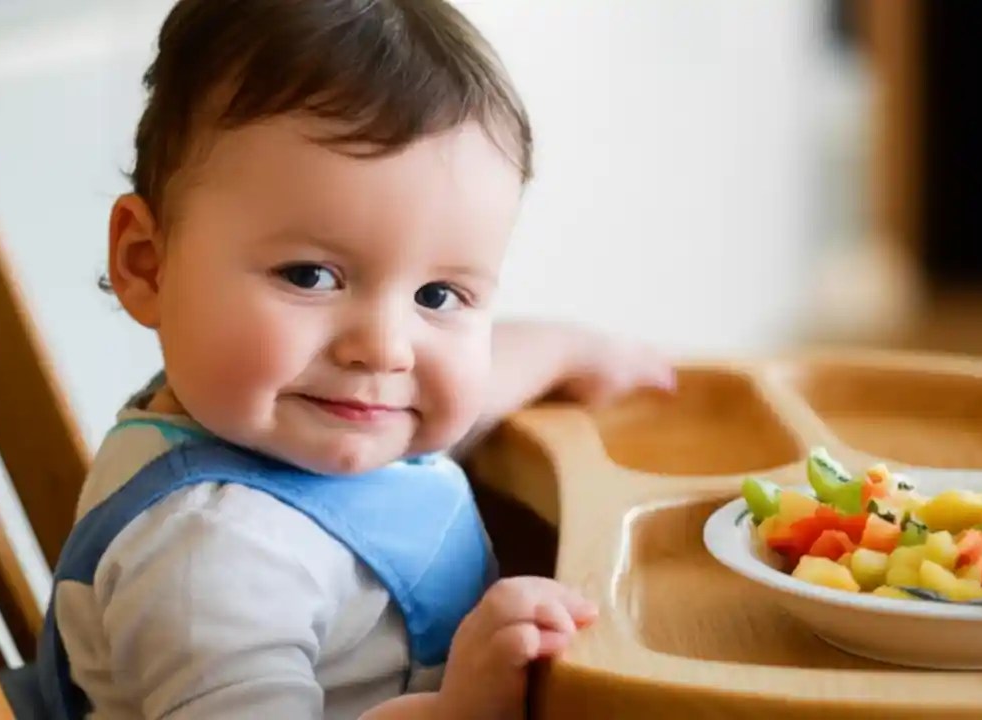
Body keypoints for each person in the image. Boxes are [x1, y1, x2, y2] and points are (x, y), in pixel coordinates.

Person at [36, 1, 674, 718]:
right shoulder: (212, 560)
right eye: (310, 276)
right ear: (148, 266)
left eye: (437, 294)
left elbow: (480, 378)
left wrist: (575, 349)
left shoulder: (302, 410)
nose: (386, 348)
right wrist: (458, 709)